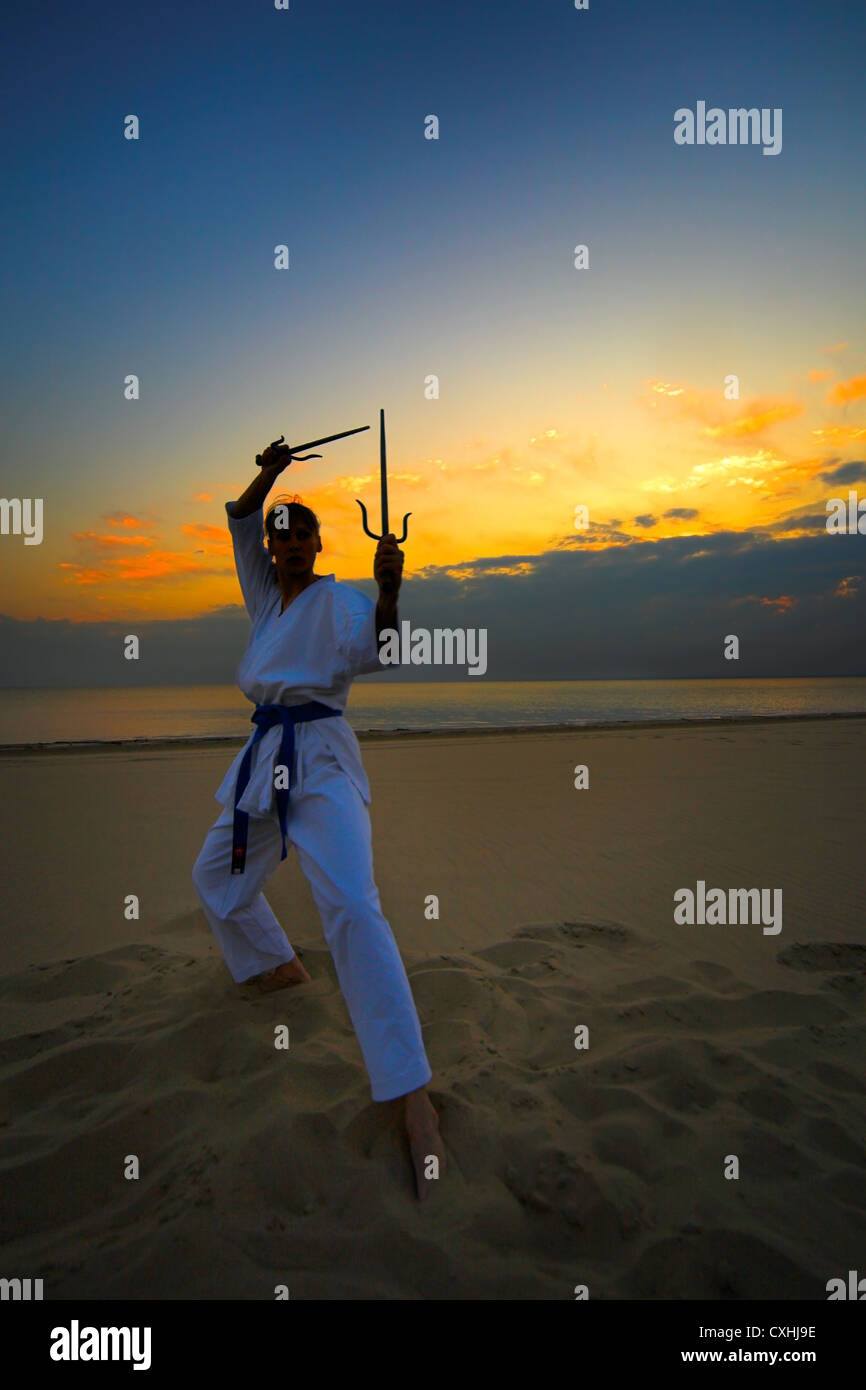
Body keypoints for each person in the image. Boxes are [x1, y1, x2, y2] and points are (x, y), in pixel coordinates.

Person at [192, 435, 445, 1199]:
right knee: (216, 877)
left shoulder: (341, 601)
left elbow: (387, 648)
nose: (290, 544)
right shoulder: (266, 598)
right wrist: (272, 470)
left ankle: (413, 1099)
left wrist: (392, 591)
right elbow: (240, 512)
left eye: (303, 535)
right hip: (266, 751)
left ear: (318, 545)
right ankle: (280, 966)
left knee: (351, 905)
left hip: (323, 756)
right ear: (271, 551)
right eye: (281, 536)